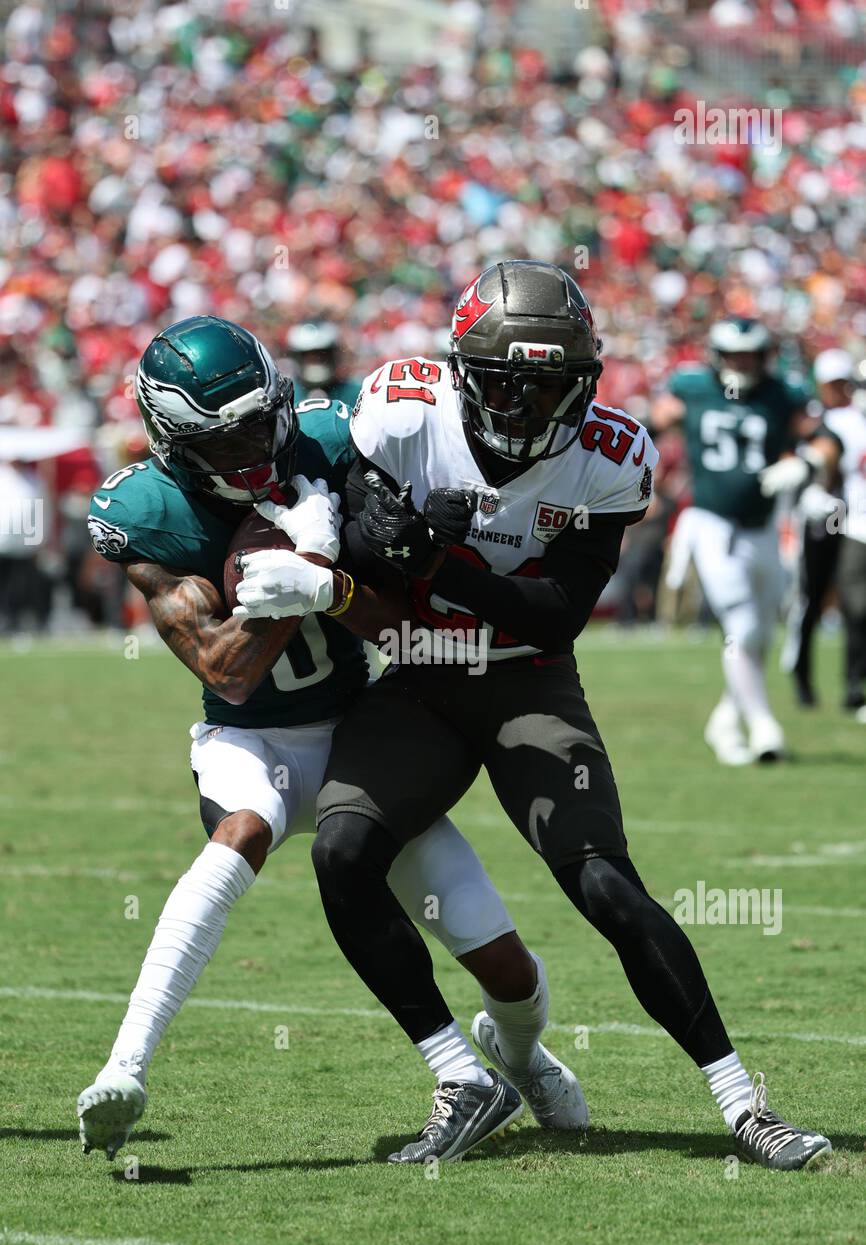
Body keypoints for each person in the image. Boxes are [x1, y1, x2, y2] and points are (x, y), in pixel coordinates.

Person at [241, 261, 831, 1170]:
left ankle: (744, 1105)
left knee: (603, 883)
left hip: (528, 677)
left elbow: (556, 612)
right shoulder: (402, 407)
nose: (526, 406)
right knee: (342, 851)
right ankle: (459, 1075)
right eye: (509, 384)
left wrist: (441, 559)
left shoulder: (612, 450)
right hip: (422, 675)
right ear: (465, 373)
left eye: (550, 384)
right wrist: (388, 539)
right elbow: (358, 540)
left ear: (583, 381)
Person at [76, 314, 585, 1163]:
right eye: (223, 433)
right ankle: (125, 1066)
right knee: (239, 835)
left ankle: (520, 1054)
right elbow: (224, 669)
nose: (251, 444)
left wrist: (334, 577)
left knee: (505, 968)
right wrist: (288, 577)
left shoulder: (325, 439)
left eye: (257, 417)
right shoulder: (147, 511)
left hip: (364, 729)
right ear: (173, 438)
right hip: (253, 739)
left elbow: (390, 616)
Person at [651, 318, 811, 764]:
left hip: (762, 528)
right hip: (712, 524)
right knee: (741, 625)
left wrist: (806, 464)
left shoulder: (783, 394)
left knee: (759, 635)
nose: (741, 363)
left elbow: (819, 438)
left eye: (749, 355)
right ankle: (764, 728)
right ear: (717, 357)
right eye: (733, 355)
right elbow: (649, 425)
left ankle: (725, 720)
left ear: (764, 357)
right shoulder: (691, 387)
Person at [779, 349, 866, 719]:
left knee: (854, 601)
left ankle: (852, 683)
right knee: (810, 598)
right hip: (816, 517)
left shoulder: (856, 417)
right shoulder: (810, 417)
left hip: (848, 518)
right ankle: (802, 675)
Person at [285, 322, 362, 410]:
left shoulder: (356, 393)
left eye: (321, 356)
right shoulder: (287, 396)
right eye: (309, 358)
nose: (315, 362)